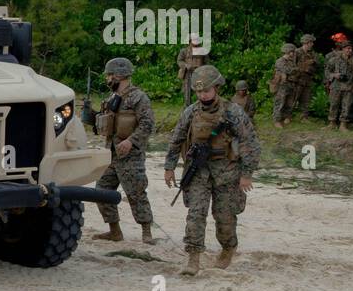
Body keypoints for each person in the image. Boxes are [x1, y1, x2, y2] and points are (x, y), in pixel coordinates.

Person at [164, 65, 261, 277]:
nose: (203, 95)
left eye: (206, 90)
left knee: (224, 216)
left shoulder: (232, 112)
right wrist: (169, 167)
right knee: (195, 214)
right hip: (198, 171)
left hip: (227, 170)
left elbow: (249, 142)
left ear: (216, 87)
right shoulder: (190, 112)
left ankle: (228, 248)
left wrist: (246, 174)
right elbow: (177, 139)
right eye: (198, 92)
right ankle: (193, 257)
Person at [91, 57, 155, 244]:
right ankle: (115, 231)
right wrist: (92, 117)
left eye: (109, 75)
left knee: (136, 193)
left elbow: (148, 124)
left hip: (131, 155)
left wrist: (131, 141)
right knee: (102, 191)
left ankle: (147, 232)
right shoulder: (111, 98)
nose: (107, 79)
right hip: (111, 154)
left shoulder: (138, 98)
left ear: (119, 75)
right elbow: (105, 123)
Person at [325, 36, 353, 130]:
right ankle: (332, 123)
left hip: (349, 87)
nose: (349, 50)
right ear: (343, 49)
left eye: (351, 48)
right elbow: (327, 71)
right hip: (336, 86)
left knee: (346, 106)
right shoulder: (334, 60)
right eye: (348, 48)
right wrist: (334, 75)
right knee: (333, 105)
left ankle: (343, 125)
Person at [291, 34, 319, 120]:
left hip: (308, 80)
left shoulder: (313, 54)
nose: (312, 44)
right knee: (293, 98)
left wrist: (312, 64)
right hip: (298, 79)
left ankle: (304, 117)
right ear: (306, 42)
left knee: (306, 99)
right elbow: (292, 65)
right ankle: (287, 116)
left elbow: (317, 65)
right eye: (311, 42)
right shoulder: (297, 52)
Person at [176, 33, 208, 107]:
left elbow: (206, 62)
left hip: (199, 74)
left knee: (200, 90)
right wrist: (186, 65)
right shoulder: (184, 51)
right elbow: (179, 61)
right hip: (188, 74)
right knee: (187, 92)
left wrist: (204, 71)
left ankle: (200, 106)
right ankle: (187, 108)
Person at [270, 42, 296, 127]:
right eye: (291, 51)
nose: (293, 53)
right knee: (279, 102)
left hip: (290, 84)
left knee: (289, 102)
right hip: (282, 85)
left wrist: (294, 71)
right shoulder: (280, 61)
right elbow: (288, 70)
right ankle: (276, 120)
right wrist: (294, 70)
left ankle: (287, 117)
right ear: (287, 51)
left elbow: (296, 71)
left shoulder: (291, 61)